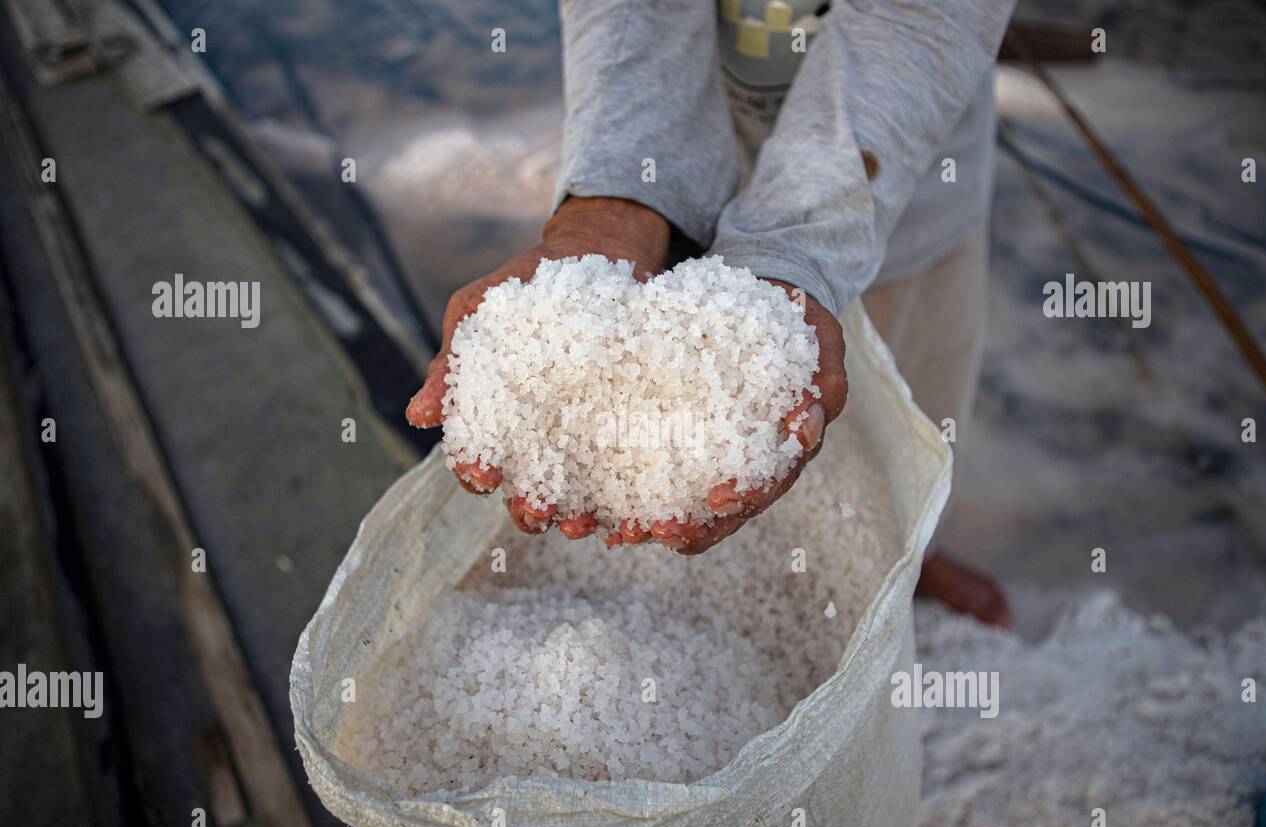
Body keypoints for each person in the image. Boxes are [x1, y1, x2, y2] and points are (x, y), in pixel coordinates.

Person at [407, 0, 1014, 626]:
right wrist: (617, 203)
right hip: (693, 111)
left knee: (911, 407)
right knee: (742, 460)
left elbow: (918, 17)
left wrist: (796, 245)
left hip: (901, 143)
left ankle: (912, 554)